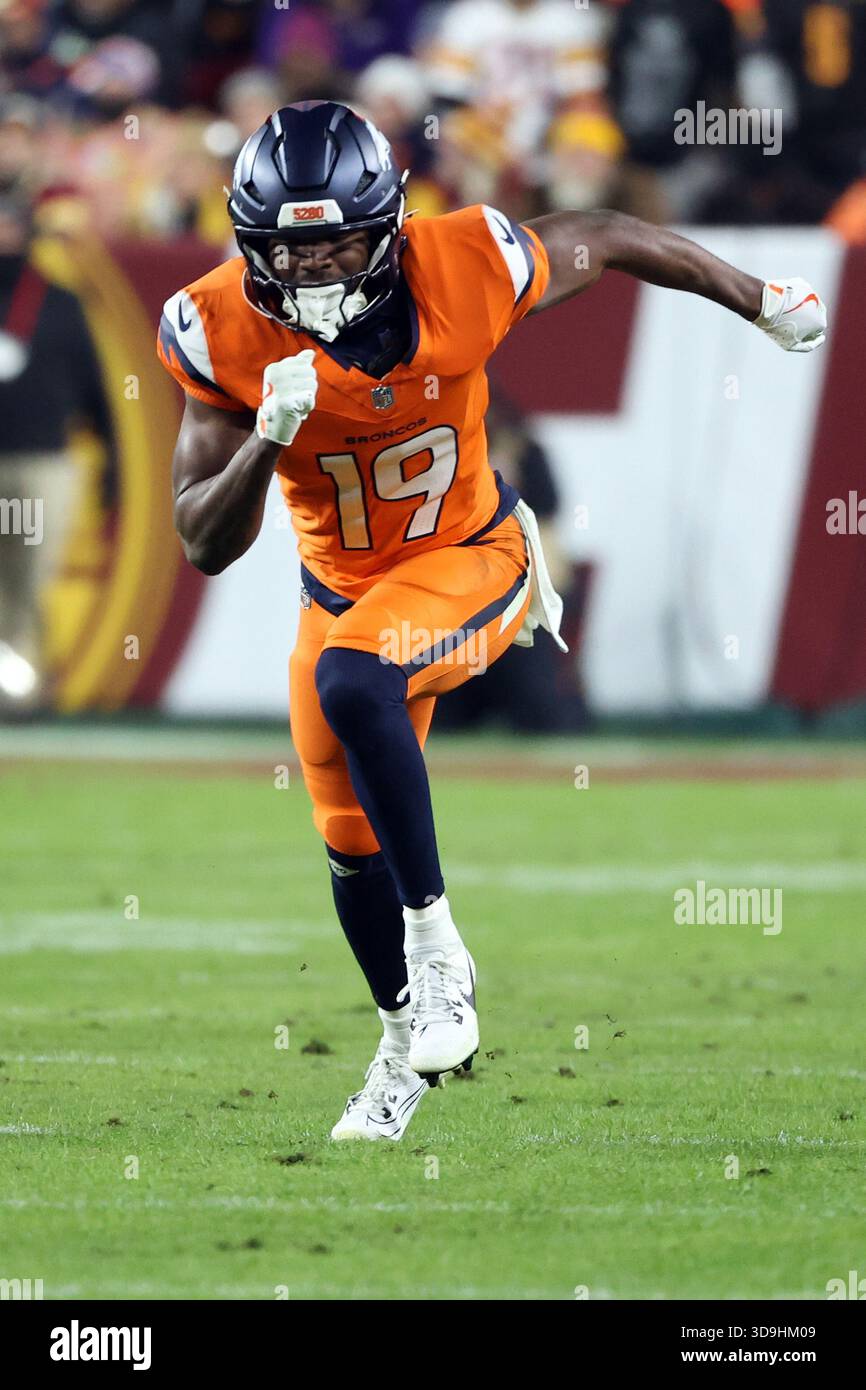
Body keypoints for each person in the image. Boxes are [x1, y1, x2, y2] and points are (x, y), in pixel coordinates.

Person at [157, 101, 826, 1141]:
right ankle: (395, 1048)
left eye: (336, 239)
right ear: (251, 246)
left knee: (349, 678)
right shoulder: (217, 329)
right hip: (339, 591)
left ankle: (440, 955)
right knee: (345, 841)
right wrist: (262, 440)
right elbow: (202, 542)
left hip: (474, 558)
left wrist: (755, 297)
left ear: (385, 227)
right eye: (291, 247)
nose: (318, 267)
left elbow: (606, 235)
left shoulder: (465, 260)